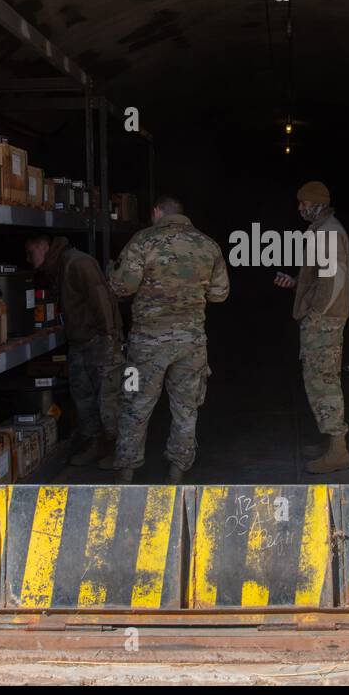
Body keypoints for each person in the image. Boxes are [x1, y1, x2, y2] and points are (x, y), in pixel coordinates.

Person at [106, 195, 229, 483]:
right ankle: (177, 470)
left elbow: (122, 286)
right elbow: (220, 294)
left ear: (157, 212)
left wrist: (114, 271)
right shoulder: (208, 245)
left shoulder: (143, 241)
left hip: (146, 345)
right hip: (191, 343)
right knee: (186, 409)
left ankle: (127, 471)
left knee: (135, 405)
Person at [273, 181, 349, 473]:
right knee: (320, 379)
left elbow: (334, 282)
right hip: (324, 318)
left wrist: (316, 313)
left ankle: (338, 449)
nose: (300, 208)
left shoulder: (329, 232)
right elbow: (322, 280)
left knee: (323, 381)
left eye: (303, 203)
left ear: (317, 203)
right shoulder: (322, 230)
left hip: (324, 322)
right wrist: (297, 286)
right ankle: (332, 442)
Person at [25, 234, 123, 466]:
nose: (28, 259)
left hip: (99, 340)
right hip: (79, 342)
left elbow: (101, 298)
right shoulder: (57, 267)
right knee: (83, 398)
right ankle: (96, 445)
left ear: (43, 245)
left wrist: (110, 337)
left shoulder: (78, 263)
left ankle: (117, 451)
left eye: (30, 253)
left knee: (108, 399)